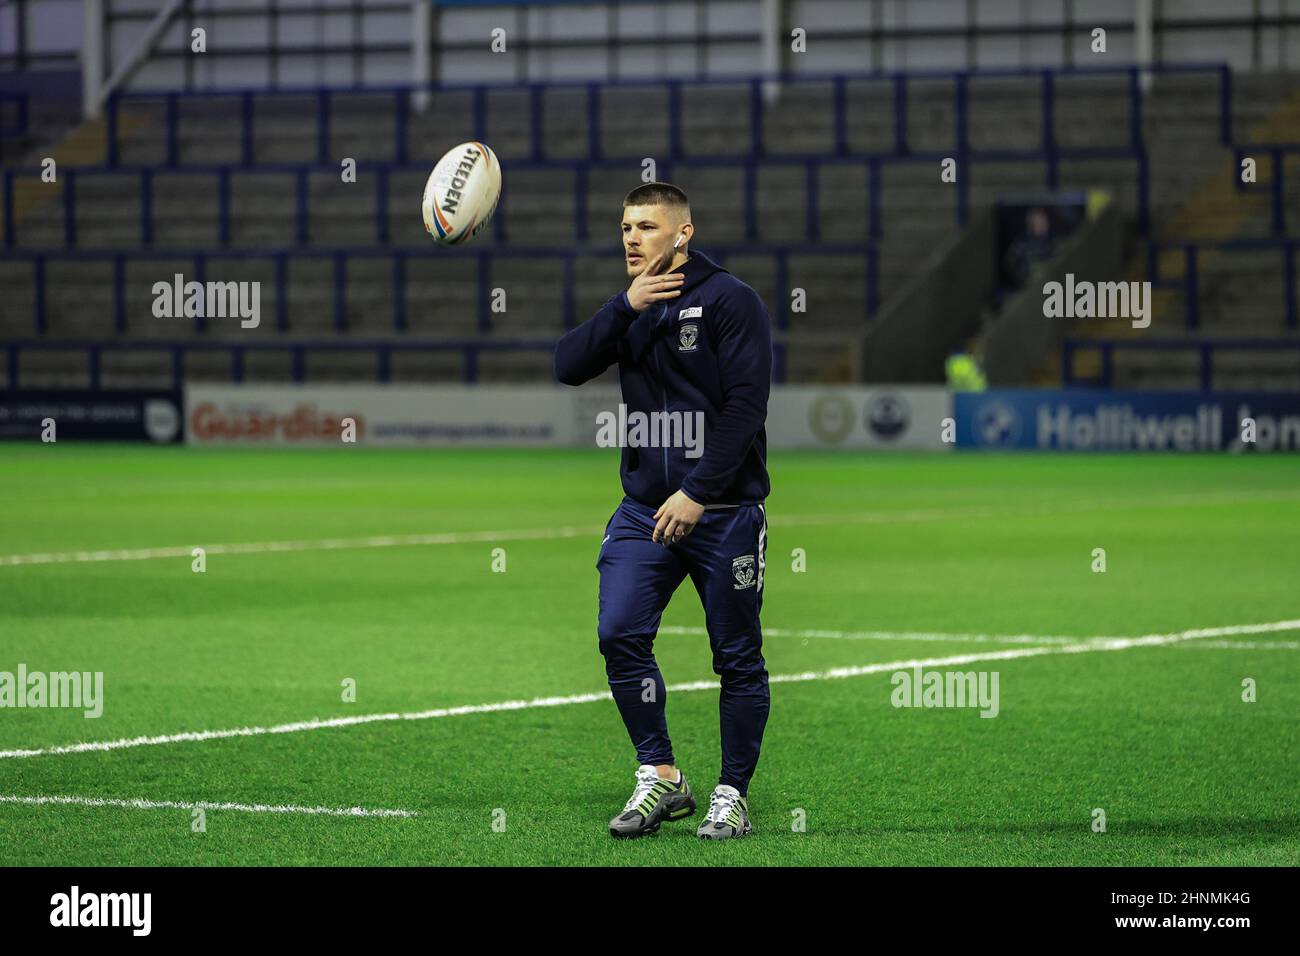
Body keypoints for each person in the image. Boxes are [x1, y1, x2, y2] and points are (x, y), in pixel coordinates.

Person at [554, 182, 773, 840]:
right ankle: (663, 778)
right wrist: (623, 307)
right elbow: (567, 364)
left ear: (683, 233)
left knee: (736, 657)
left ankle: (731, 795)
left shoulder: (732, 301)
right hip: (644, 509)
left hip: (724, 511)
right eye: (625, 226)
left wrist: (699, 490)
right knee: (619, 632)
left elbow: (745, 409)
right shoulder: (634, 307)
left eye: (646, 227)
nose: (630, 237)